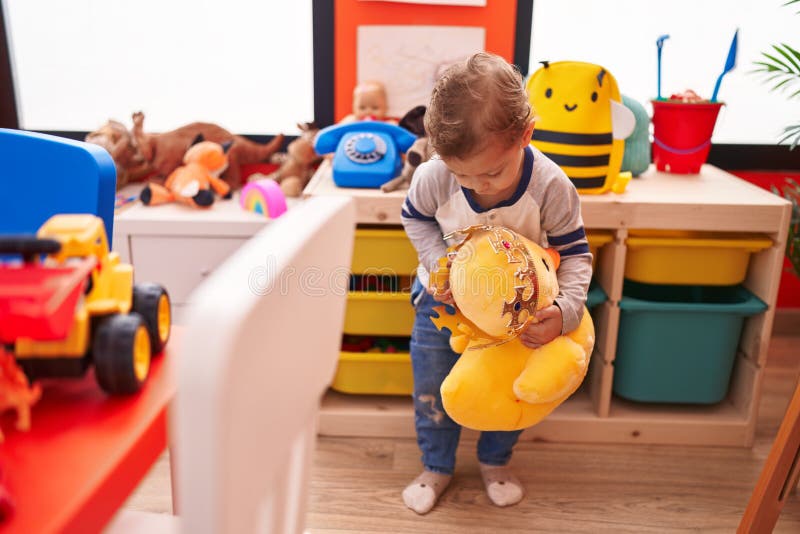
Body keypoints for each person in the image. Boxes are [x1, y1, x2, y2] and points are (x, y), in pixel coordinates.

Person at [400, 52, 592, 514]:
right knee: (434, 386)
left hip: (517, 315)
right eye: (463, 174)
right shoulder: (434, 175)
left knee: (510, 390)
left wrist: (565, 311)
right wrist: (440, 262)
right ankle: (436, 466)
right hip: (441, 305)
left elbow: (576, 254)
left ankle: (496, 460)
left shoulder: (550, 185)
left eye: (492, 172)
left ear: (525, 135)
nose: (478, 186)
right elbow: (415, 219)